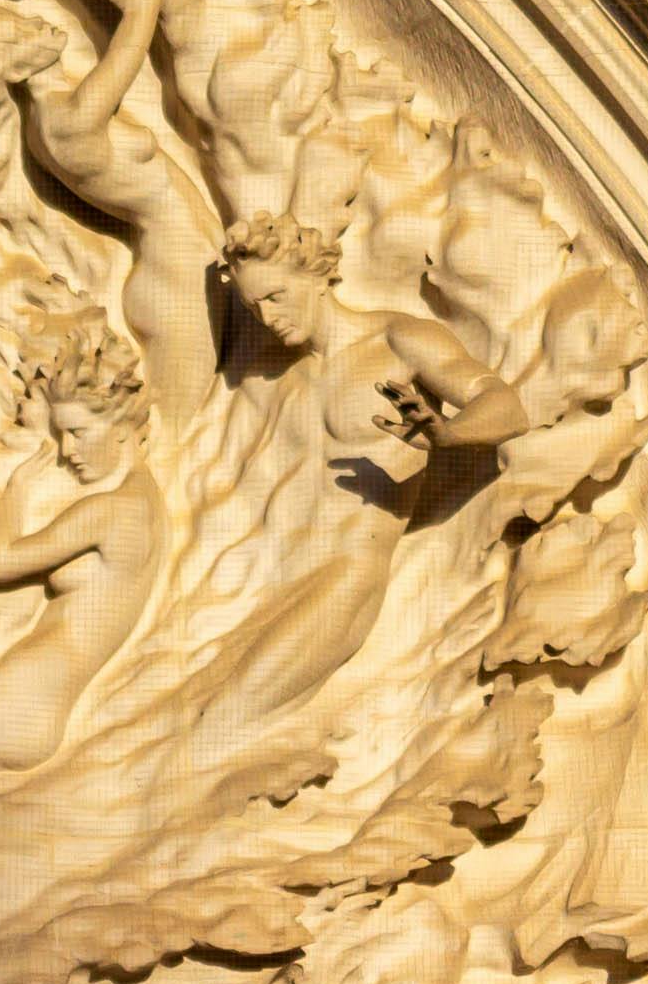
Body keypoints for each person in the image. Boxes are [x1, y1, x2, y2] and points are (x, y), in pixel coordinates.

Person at [197, 210, 535, 719]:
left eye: (275, 297)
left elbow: (506, 406)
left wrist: (449, 433)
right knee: (181, 723)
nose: (266, 317)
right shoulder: (279, 376)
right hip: (267, 586)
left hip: (341, 581)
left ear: (315, 279)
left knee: (220, 721)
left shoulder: (397, 341)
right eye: (253, 306)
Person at [0, 315, 173, 793]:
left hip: (22, 692)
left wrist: (16, 490)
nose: (67, 450)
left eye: (79, 432)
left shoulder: (111, 511)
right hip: (44, 699)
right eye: (62, 434)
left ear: (121, 427)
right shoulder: (148, 502)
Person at [0, 0, 223, 418]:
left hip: (177, 269)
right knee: (180, 434)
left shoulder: (46, 124)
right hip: (179, 275)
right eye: (20, 30)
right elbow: (144, 1)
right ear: (14, 65)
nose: (38, 24)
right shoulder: (75, 117)